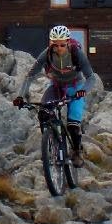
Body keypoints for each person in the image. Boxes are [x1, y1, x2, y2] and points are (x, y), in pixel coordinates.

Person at [13, 25, 94, 164]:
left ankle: (76, 151)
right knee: (43, 112)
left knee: (73, 124)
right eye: (55, 45)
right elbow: (29, 76)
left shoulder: (77, 53)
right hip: (56, 86)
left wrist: (83, 91)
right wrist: (20, 96)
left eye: (62, 45)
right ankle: (51, 141)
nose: (59, 48)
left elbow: (91, 77)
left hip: (76, 87)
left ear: (68, 42)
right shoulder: (47, 54)